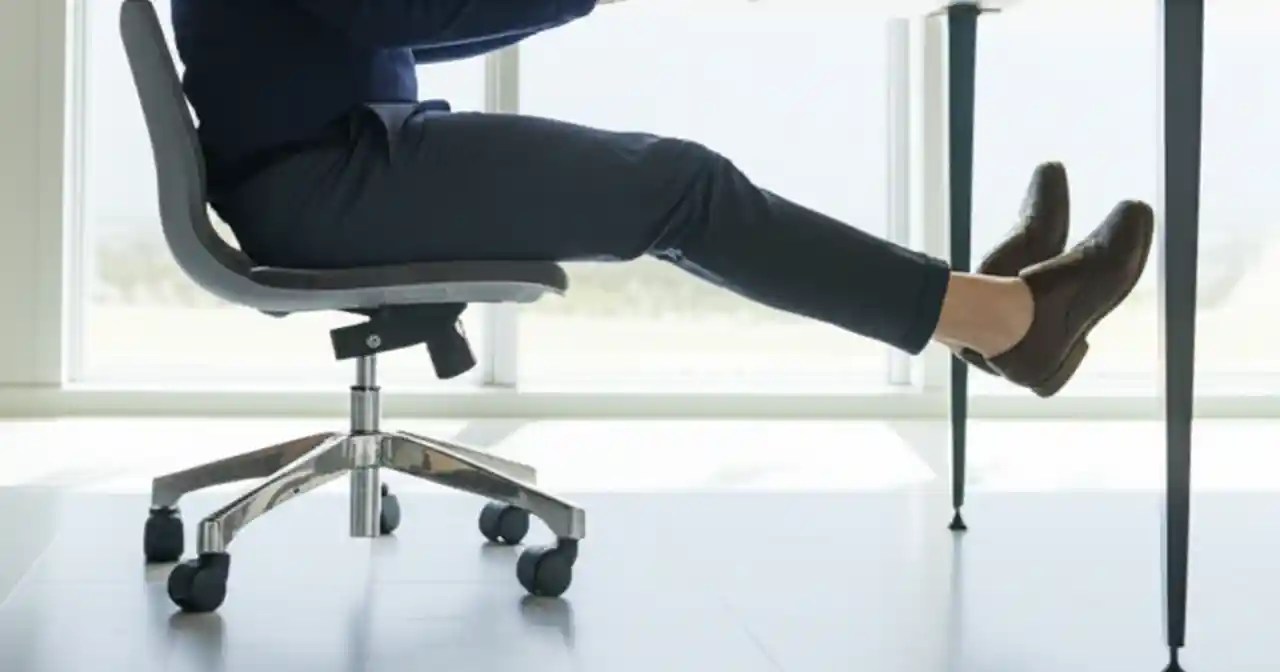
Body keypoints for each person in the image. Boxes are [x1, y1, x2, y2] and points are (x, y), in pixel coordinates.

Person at [172, 0, 1153, 397]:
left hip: (336, 163)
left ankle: (980, 312)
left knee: (678, 187)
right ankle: (1009, 318)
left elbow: (389, 29)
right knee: (678, 189)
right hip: (330, 181)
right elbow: (399, 12)